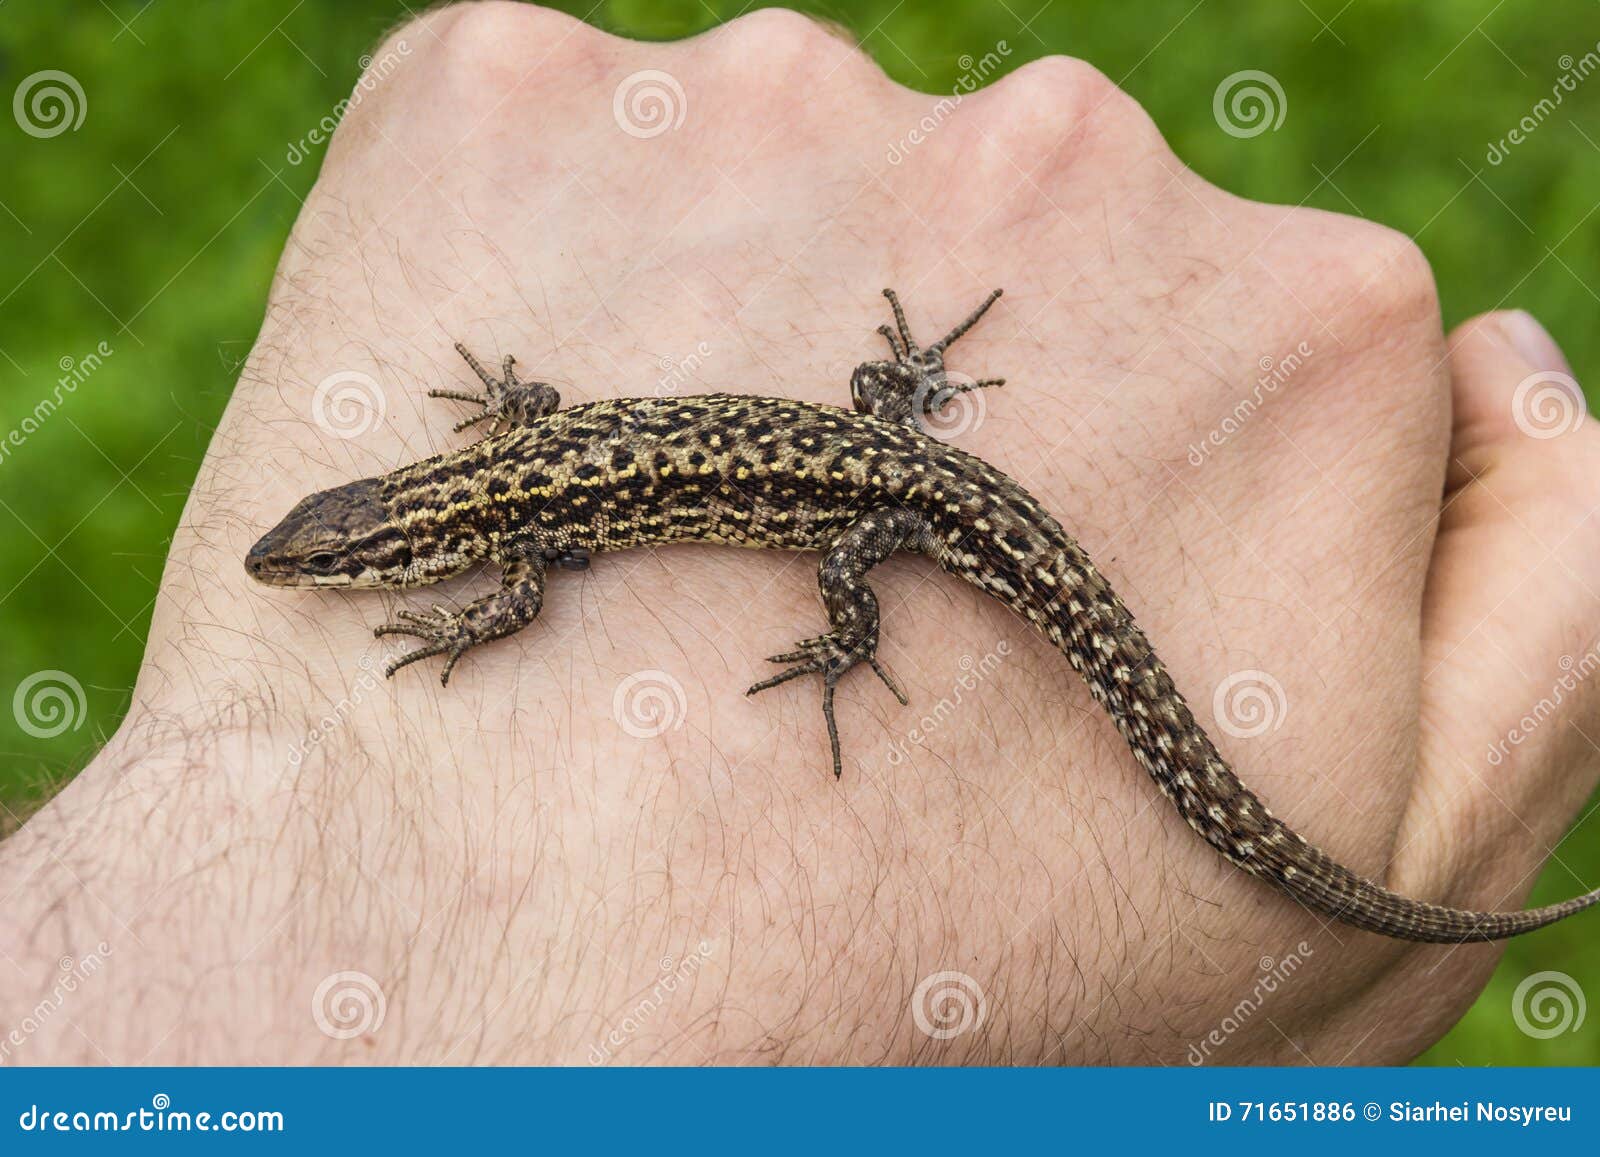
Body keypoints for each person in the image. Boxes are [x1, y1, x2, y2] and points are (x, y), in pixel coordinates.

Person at [3, 3, 1595, 1064]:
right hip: (869, 456)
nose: (314, 571)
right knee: (871, 442)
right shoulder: (521, 478)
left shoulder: (506, 534)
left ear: (387, 549)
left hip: (879, 497)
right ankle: (888, 424)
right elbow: (543, 432)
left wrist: (827, 632)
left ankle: (855, 608)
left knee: (859, 567)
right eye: (321, 558)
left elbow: (527, 592)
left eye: (332, 559)